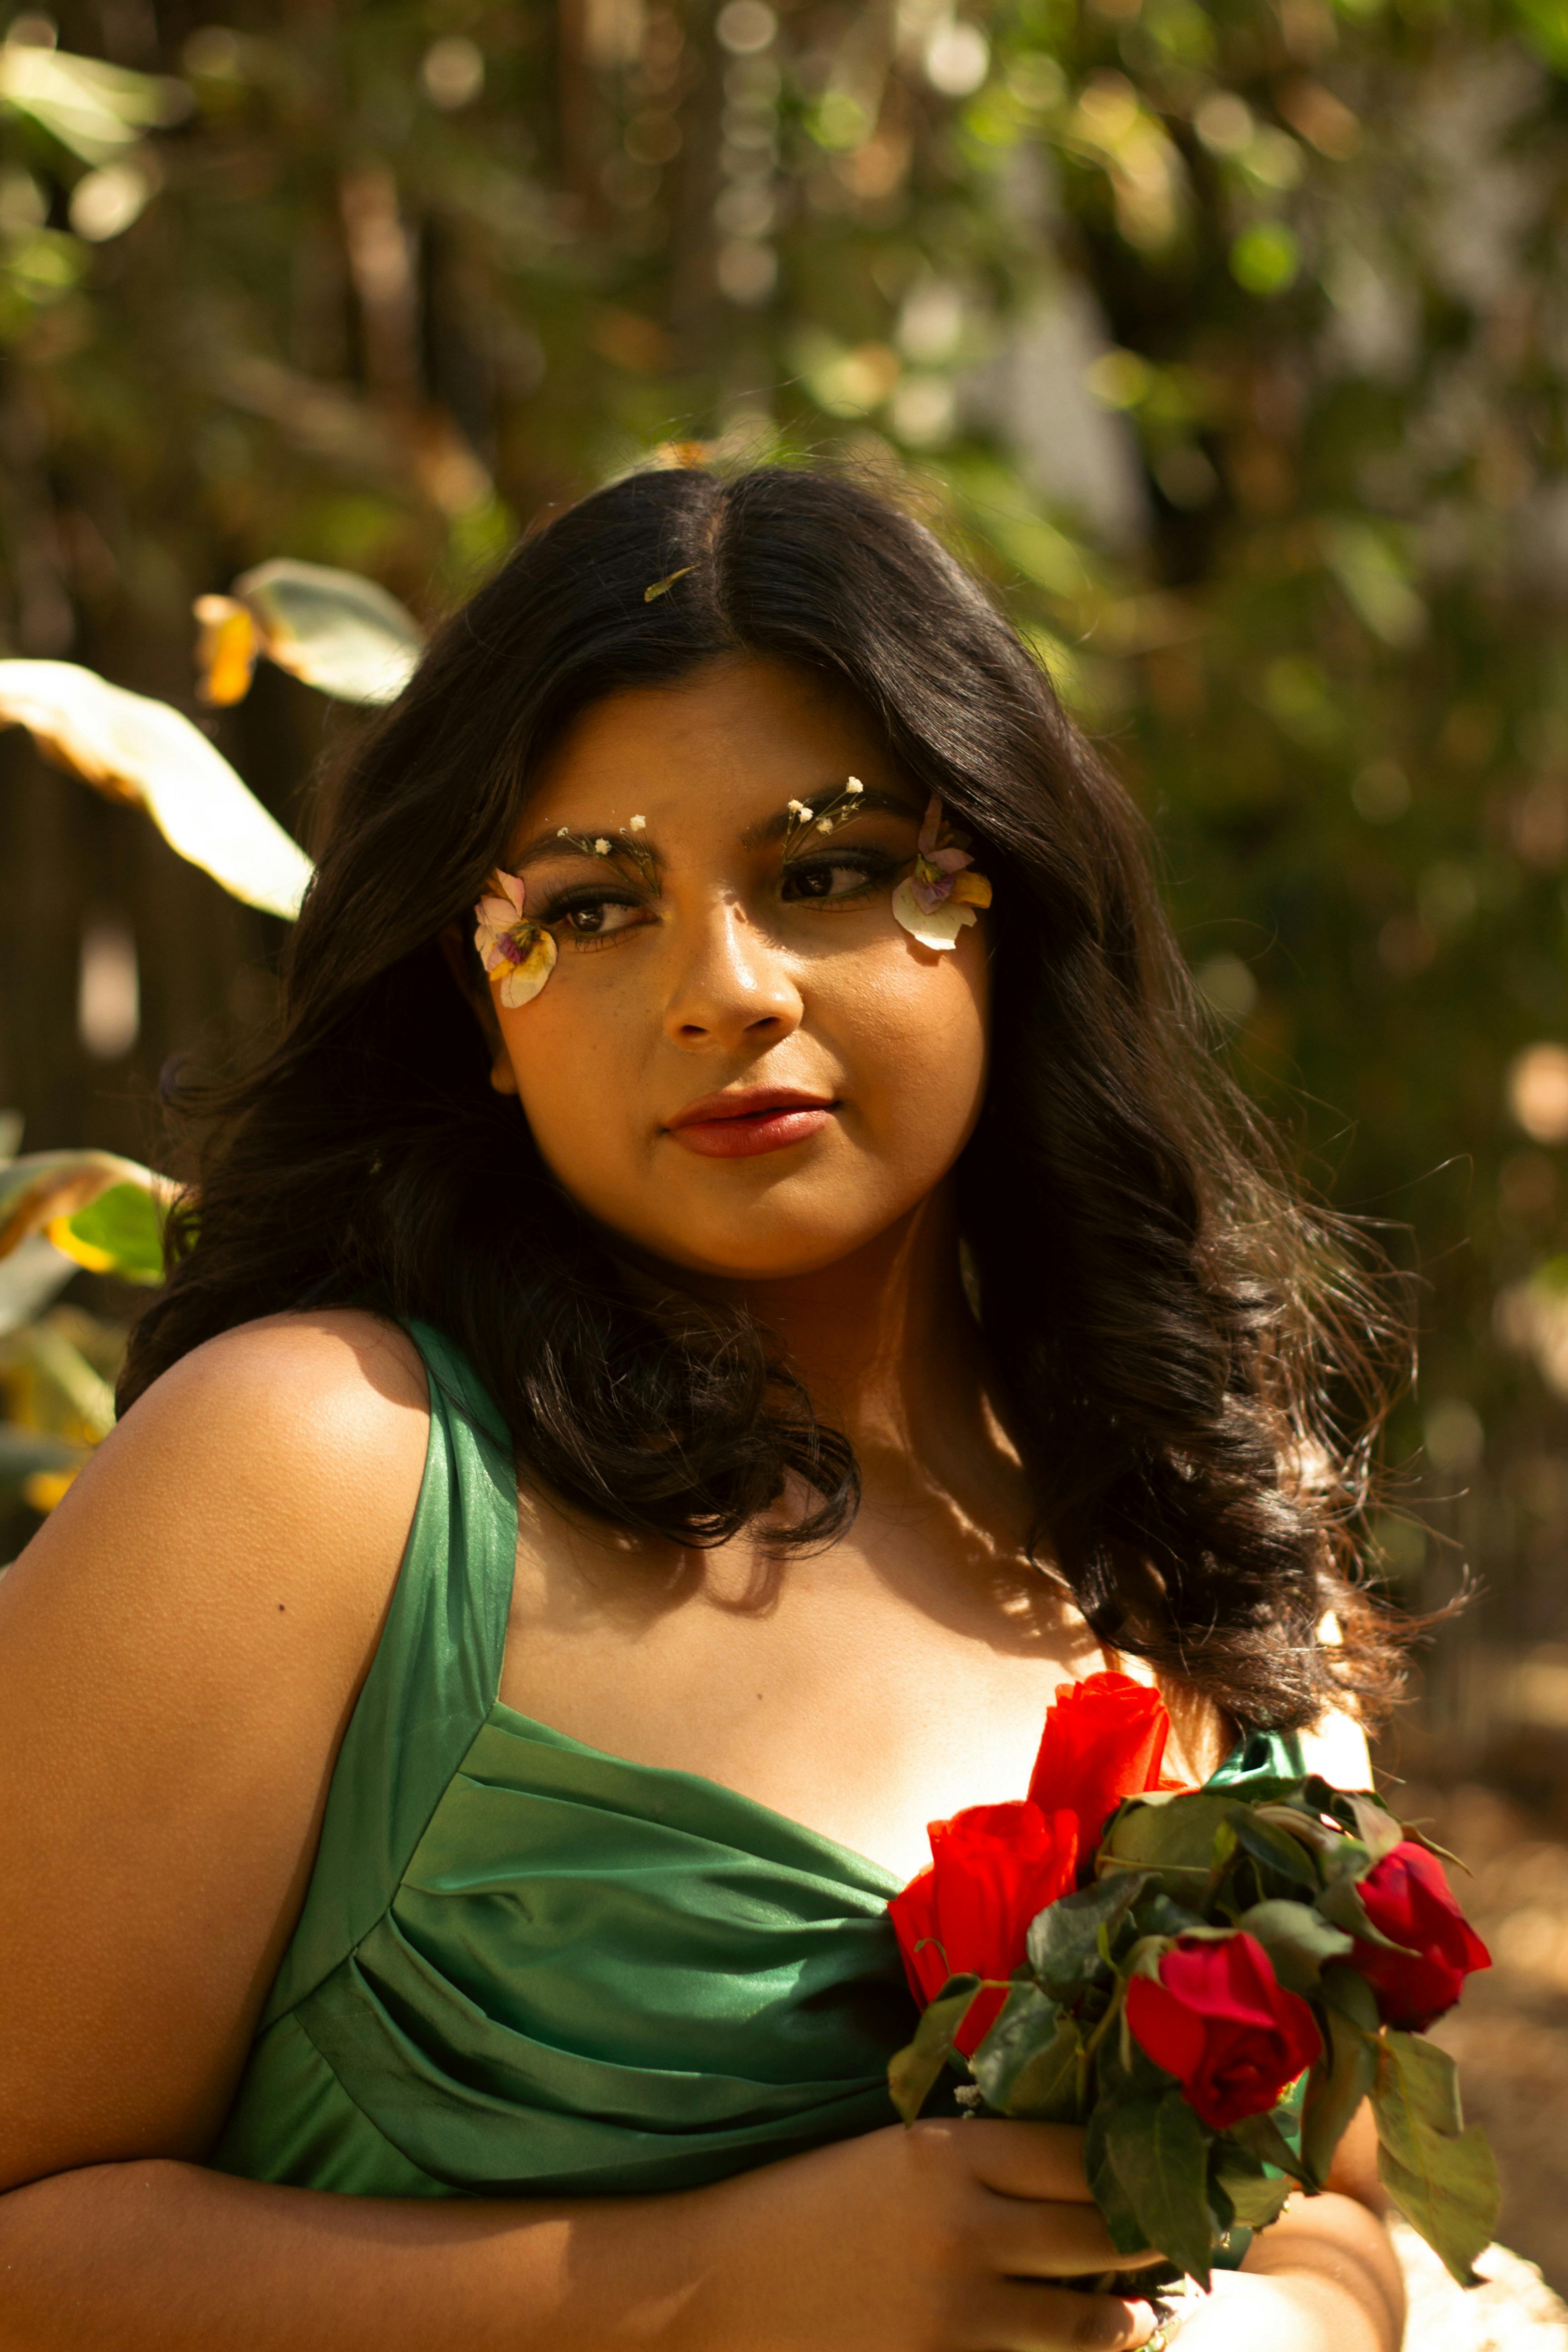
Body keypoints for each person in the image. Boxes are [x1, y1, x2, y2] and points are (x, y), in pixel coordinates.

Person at [0, 464, 1411, 2351]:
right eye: (592, 907)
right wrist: (694, 2290)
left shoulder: (1174, 1507)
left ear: (1004, 899)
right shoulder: (322, 1468)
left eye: (824, 872)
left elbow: (1341, 2211)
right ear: (475, 1000)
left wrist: (1267, 2328)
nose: (722, 989)